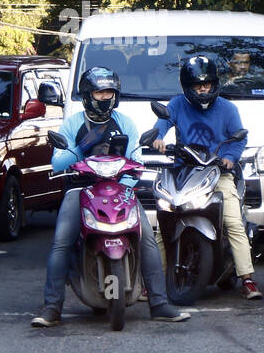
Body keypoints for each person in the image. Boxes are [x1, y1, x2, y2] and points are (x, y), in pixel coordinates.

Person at [31, 67, 187, 327]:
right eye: (99, 92)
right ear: (87, 95)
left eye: (109, 92)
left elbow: (136, 159)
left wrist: (126, 184)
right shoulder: (73, 123)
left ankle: (159, 303)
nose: (105, 97)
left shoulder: (124, 121)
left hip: (120, 190)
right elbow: (58, 163)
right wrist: (79, 148)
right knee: (61, 242)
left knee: (146, 237)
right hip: (80, 190)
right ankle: (52, 307)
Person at [152, 55, 262, 299]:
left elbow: (239, 137)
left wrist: (230, 158)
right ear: (187, 87)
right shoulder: (176, 105)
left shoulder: (228, 108)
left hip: (217, 172)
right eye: (197, 85)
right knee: (163, 224)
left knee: (233, 222)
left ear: (215, 84)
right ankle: (154, 281)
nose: (203, 89)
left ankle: (247, 278)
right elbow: (161, 124)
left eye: (207, 84)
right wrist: (158, 138)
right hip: (183, 171)